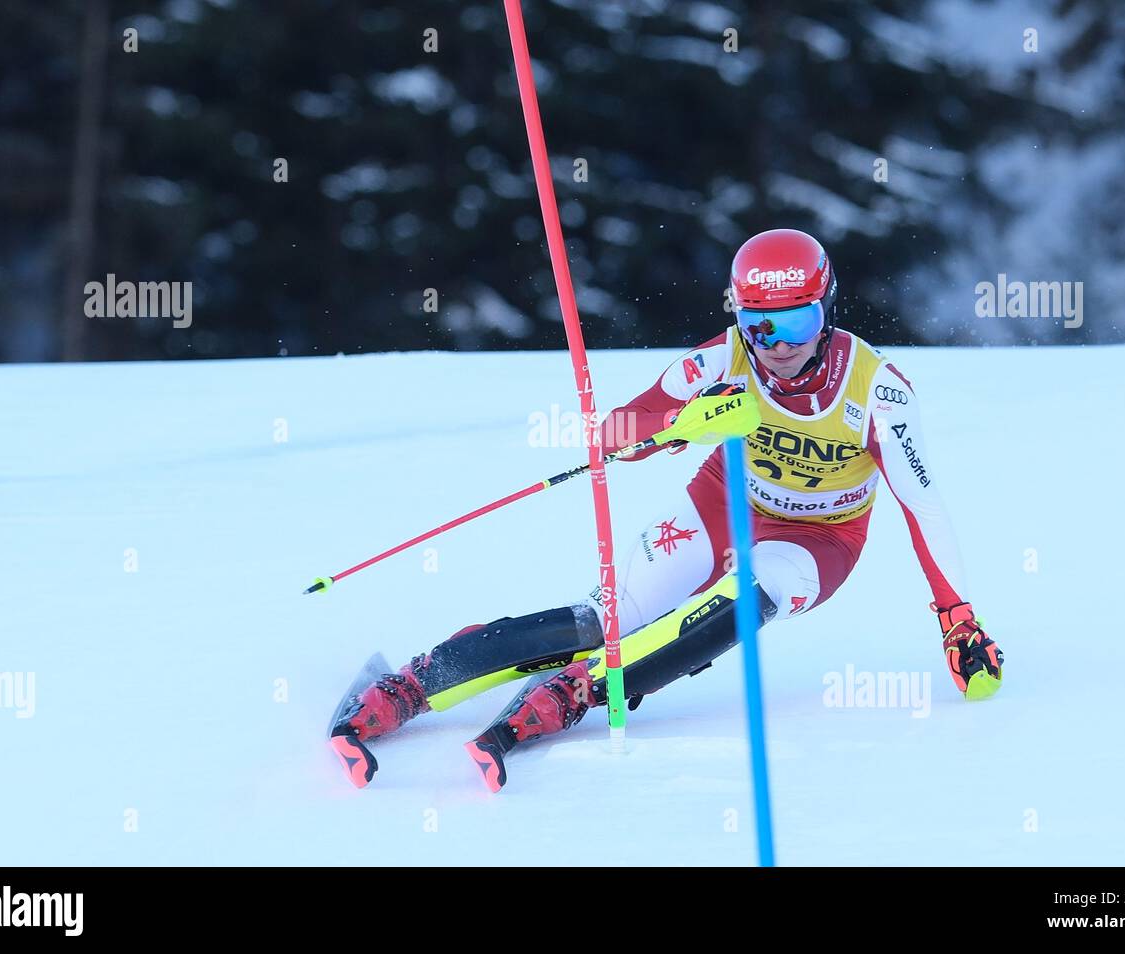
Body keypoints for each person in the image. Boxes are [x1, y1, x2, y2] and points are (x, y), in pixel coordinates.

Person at [328, 228, 1004, 790]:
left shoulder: (879, 391)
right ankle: (419, 682)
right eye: (760, 326)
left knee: (750, 594)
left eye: (798, 320)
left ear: (828, 309)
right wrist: (689, 418)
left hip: (819, 539)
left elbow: (923, 505)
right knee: (610, 618)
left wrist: (957, 618)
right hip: (722, 502)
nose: (780, 344)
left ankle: (581, 692)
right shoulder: (725, 359)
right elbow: (616, 436)